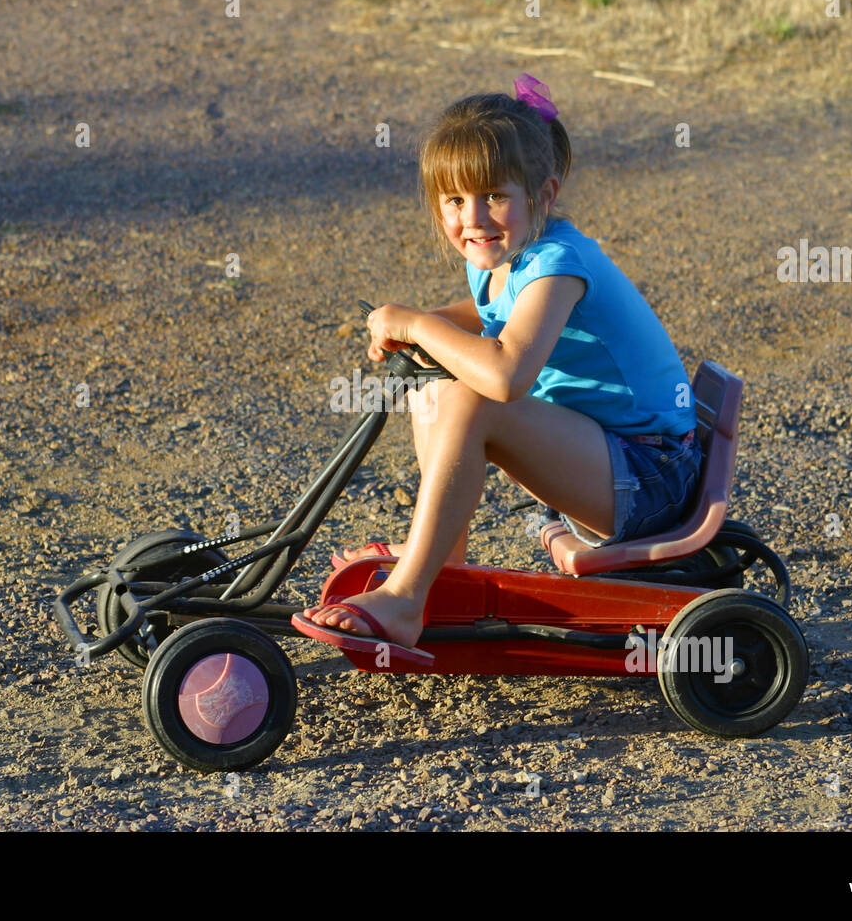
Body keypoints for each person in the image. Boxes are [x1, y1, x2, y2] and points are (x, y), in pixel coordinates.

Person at [296, 74, 700, 659]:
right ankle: (440, 566)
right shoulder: (501, 258)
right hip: (610, 458)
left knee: (472, 395)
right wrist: (431, 326)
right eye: (456, 201)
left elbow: (508, 373)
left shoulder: (559, 262)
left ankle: (408, 595)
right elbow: (494, 315)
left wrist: (418, 324)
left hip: (653, 474)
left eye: (495, 197)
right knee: (437, 388)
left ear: (544, 193)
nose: (474, 218)